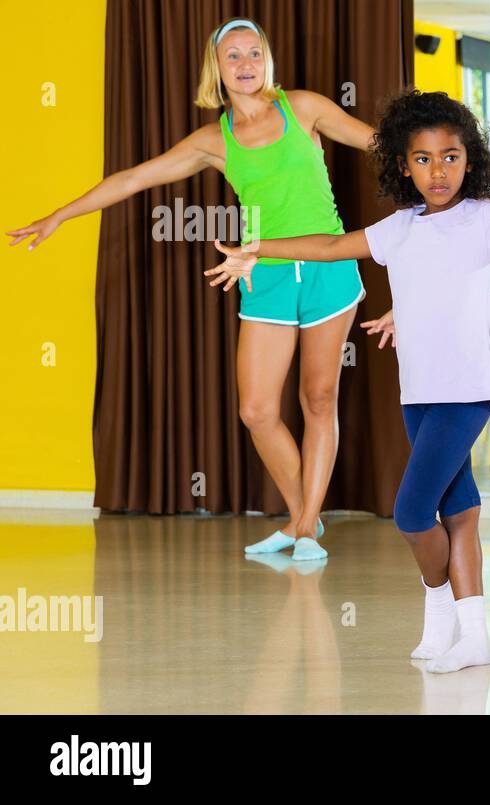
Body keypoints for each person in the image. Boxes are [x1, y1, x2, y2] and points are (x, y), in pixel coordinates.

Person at [207, 90, 490, 672]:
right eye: (423, 159)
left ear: (470, 161)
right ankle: (469, 638)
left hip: (466, 394)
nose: (438, 170)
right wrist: (259, 250)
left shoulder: (489, 220)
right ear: (404, 165)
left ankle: (441, 607)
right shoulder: (399, 228)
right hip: (419, 395)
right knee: (460, 512)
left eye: (451, 157)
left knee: (411, 512)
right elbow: (329, 245)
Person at [8, 18, 379, 560]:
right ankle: (305, 519)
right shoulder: (215, 139)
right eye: (234, 56)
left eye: (255, 53)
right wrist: (59, 216)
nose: (246, 64)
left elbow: (379, 143)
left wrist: (442, 184)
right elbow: (134, 178)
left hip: (328, 265)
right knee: (256, 409)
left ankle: (302, 529)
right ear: (218, 68)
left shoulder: (304, 108)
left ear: (266, 60)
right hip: (262, 269)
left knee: (318, 398)